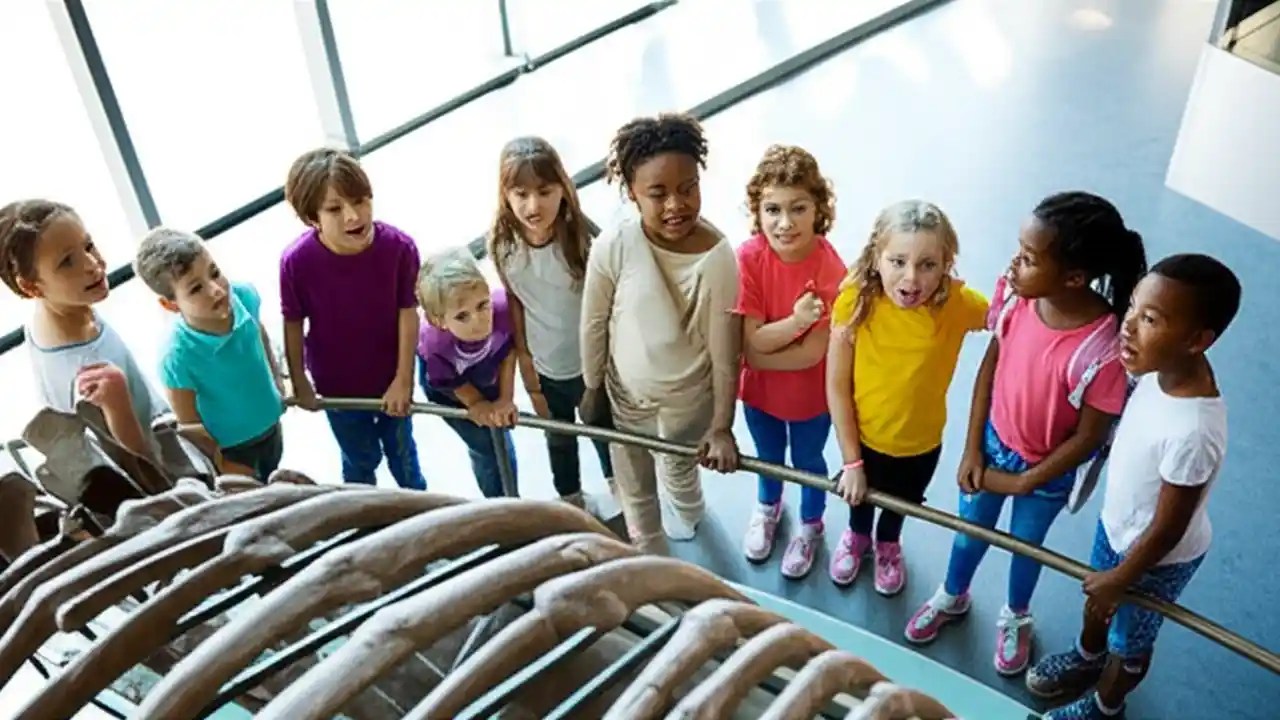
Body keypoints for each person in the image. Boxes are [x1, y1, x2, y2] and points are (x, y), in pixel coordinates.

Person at [905, 191, 1148, 678]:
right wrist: (973, 446)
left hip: (1045, 475)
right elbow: (989, 367)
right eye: (1019, 250)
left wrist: (1023, 482)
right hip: (993, 448)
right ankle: (952, 595)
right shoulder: (1017, 296)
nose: (1014, 264)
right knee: (968, 535)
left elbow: (1088, 438)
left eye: (1029, 258)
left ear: (1074, 277)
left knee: (1026, 547)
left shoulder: (1102, 348)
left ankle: (1017, 614)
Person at [1027, 254, 1239, 720]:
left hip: (1155, 560)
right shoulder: (1158, 373)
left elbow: (1169, 525)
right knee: (1096, 604)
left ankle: (1106, 704)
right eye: (1132, 309)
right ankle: (1086, 658)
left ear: (1198, 340)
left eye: (1150, 319)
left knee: (1131, 642)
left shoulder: (1195, 430)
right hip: (1118, 528)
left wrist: (1124, 577)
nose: (1128, 327)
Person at [580, 112, 740, 555]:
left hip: (689, 400)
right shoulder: (614, 244)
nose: (676, 205)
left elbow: (727, 352)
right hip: (624, 396)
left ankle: (687, 516)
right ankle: (647, 547)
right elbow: (594, 322)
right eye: (658, 193)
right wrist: (593, 388)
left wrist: (722, 426)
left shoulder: (718, 257)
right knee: (633, 481)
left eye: (688, 189)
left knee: (681, 470)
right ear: (632, 192)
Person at [826, 200, 989, 596]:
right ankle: (857, 536)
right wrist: (851, 462)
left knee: (902, 504)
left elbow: (1006, 319)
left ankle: (888, 544)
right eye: (897, 261)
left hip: (921, 444)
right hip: (863, 439)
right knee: (859, 500)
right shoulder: (854, 303)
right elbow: (836, 386)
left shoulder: (956, 305)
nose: (911, 279)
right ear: (876, 257)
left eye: (927, 265)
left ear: (946, 264)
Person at [280, 148, 424, 489]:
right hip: (337, 385)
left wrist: (404, 378)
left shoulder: (400, 248)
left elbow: (408, 312)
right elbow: (292, 321)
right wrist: (299, 379)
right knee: (359, 461)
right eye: (334, 209)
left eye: (360, 201)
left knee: (405, 459)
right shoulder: (296, 262)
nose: (353, 215)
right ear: (312, 218)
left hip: (390, 375)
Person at [735, 145, 846, 579]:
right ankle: (768, 507)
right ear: (757, 212)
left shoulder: (832, 270)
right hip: (759, 395)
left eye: (798, 208)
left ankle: (811, 524)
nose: (785, 222)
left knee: (808, 460)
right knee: (766, 456)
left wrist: (760, 351)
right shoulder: (748, 258)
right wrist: (797, 321)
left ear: (818, 208)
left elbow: (812, 353)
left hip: (809, 399)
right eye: (773, 209)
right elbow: (750, 342)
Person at [486, 136, 613, 510]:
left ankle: (621, 488)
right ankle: (571, 498)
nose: (533, 205)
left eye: (544, 191)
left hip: (592, 364)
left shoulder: (583, 239)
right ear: (505, 195)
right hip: (546, 366)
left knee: (604, 432)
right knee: (558, 438)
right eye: (520, 193)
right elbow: (516, 304)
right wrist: (528, 368)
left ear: (562, 188)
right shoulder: (502, 244)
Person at [0, 199, 167, 459]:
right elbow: (138, 463)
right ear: (31, 287)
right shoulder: (87, 368)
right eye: (67, 262)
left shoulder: (51, 314)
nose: (92, 264)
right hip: (165, 468)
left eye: (88, 246)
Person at [135, 227, 285, 480]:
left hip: (271, 426)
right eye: (196, 289)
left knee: (278, 479)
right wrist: (220, 462)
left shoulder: (245, 296)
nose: (216, 289)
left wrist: (277, 385)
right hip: (232, 453)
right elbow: (189, 425)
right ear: (170, 304)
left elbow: (260, 338)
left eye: (215, 273)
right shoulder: (177, 356)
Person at [416, 247, 520, 498]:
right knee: (485, 445)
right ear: (438, 320)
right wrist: (476, 403)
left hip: (489, 368)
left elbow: (509, 352)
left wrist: (505, 397)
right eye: (462, 316)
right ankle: (496, 504)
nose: (478, 320)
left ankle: (513, 500)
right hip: (449, 387)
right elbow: (448, 381)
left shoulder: (502, 310)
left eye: (482, 305)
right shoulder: (435, 345)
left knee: (502, 436)